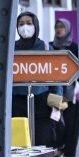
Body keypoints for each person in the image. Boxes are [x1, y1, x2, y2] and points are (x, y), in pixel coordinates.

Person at [11, 10, 62, 148]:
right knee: (20, 142)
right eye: (20, 24)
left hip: (42, 102)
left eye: (29, 23)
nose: (25, 27)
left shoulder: (45, 48)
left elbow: (56, 78)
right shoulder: (10, 48)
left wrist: (56, 99)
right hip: (17, 102)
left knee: (43, 139)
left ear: (36, 25)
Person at [51, 17, 79, 157]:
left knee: (71, 125)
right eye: (57, 26)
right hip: (53, 94)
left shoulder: (74, 48)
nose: (59, 29)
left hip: (70, 94)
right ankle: (57, 149)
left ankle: (69, 153)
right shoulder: (49, 47)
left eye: (62, 26)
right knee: (55, 124)